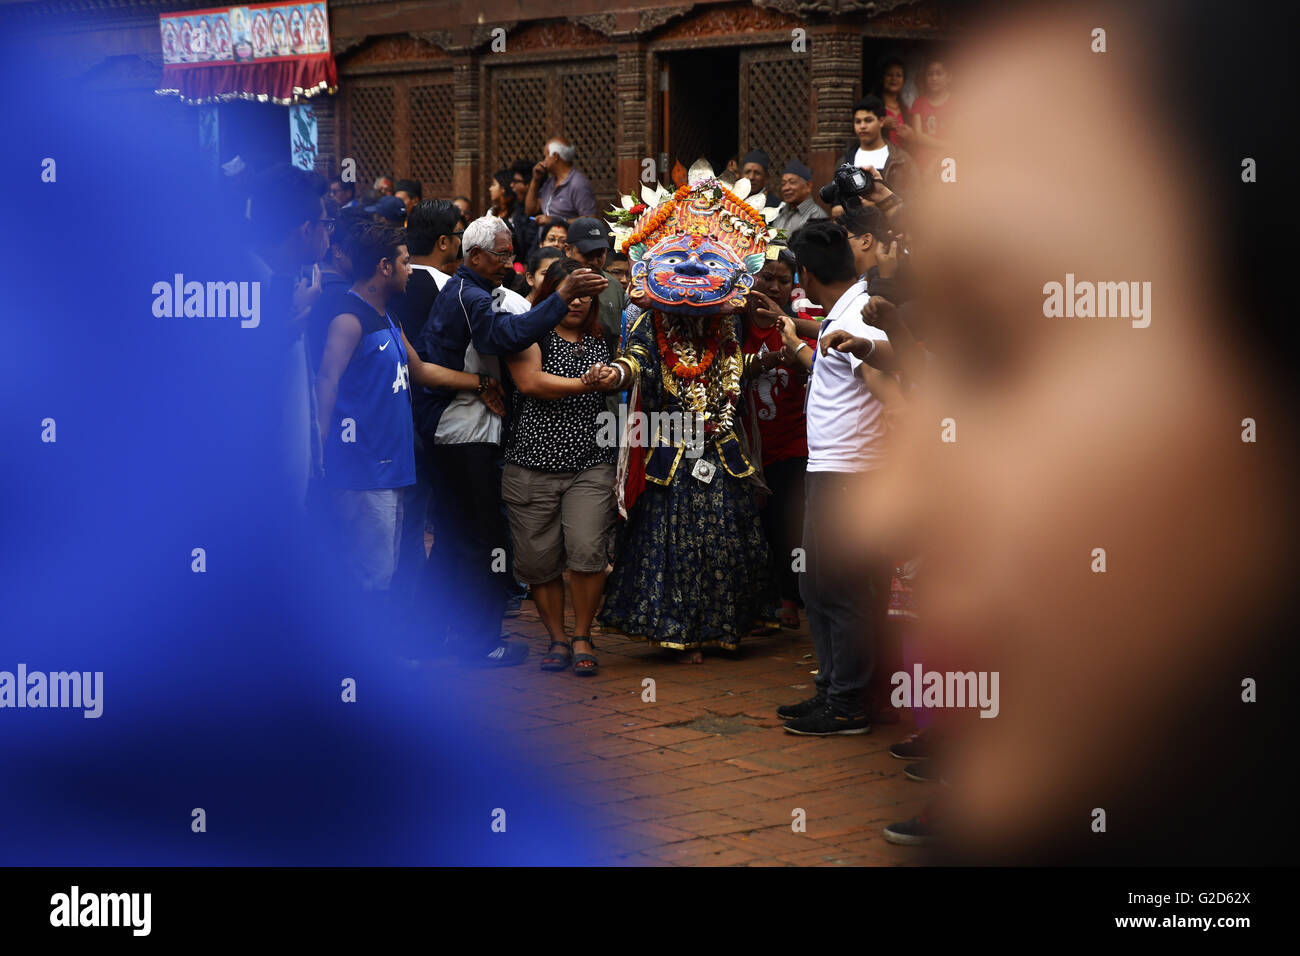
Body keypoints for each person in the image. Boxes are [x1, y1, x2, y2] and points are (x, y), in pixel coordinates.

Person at [584, 164, 778, 662]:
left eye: (705, 257)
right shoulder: (651, 320)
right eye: (681, 256)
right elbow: (637, 362)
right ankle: (681, 633)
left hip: (720, 443)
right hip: (673, 445)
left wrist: (773, 358)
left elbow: (734, 366)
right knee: (676, 545)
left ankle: (724, 628)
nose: (693, 265)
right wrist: (616, 375)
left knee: (726, 543)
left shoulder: (726, 327)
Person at [417, 216, 608, 666]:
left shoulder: (480, 292)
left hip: (464, 432)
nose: (509, 262)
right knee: (479, 542)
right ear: (474, 255)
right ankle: (479, 642)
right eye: (501, 255)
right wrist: (558, 299)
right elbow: (500, 336)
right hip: (461, 433)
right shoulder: (468, 295)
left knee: (455, 539)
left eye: (510, 253)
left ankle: (424, 635)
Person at [315, 221, 499, 594]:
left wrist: (482, 383)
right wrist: (318, 457)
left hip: (392, 469)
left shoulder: (387, 317)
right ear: (383, 267)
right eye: (403, 262)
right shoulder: (350, 320)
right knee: (367, 573)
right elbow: (326, 383)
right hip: (362, 470)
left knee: (384, 568)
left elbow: (420, 370)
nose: (410, 270)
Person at [775, 220, 895, 736]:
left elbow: (878, 366)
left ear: (803, 274)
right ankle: (832, 689)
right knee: (816, 585)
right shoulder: (845, 307)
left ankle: (849, 702)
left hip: (851, 468)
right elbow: (833, 356)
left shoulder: (863, 314)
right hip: (829, 465)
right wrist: (792, 332)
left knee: (840, 588)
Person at [502, 258, 618, 675]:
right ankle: (556, 637)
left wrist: (612, 376)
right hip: (531, 464)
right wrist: (587, 383)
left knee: (587, 551)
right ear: (552, 292)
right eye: (570, 291)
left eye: (588, 294)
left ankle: (583, 634)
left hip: (591, 462)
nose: (578, 301)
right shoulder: (530, 332)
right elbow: (531, 383)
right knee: (538, 560)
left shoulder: (601, 338)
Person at [740, 248, 815, 631]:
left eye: (782, 280)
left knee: (789, 523)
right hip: (745, 447)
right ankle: (757, 599)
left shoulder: (799, 328)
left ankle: (788, 596)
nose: (772, 286)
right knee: (752, 523)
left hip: (791, 445)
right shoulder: (732, 325)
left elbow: (819, 378)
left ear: (793, 286)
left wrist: (797, 363)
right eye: (766, 277)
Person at [841, 95, 918, 198]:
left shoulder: (901, 160)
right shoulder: (845, 162)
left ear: (881, 121)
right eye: (858, 121)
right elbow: (836, 203)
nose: (862, 126)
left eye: (868, 120)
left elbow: (914, 200)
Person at [898, 55, 954, 179]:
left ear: (949, 77)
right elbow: (918, 136)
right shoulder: (919, 103)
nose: (934, 78)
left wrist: (949, 148)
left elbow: (959, 137)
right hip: (923, 160)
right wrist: (947, 145)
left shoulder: (956, 103)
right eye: (930, 74)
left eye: (939, 74)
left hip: (949, 161)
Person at [526, 136, 597, 224]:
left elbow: (590, 220)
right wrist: (535, 180)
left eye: (546, 156)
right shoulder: (550, 182)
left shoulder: (578, 183)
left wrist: (556, 222)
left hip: (569, 237)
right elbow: (530, 210)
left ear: (555, 156)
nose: (544, 160)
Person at [771, 160, 828, 234]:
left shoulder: (816, 216)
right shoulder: (780, 213)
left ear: (808, 186)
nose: (786, 188)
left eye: (792, 182)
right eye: (783, 183)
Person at [874, 54, 910, 147]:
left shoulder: (905, 109)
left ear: (903, 80)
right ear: (882, 78)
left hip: (902, 157)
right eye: (889, 75)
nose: (894, 79)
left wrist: (910, 134)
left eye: (898, 75)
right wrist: (881, 123)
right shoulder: (873, 104)